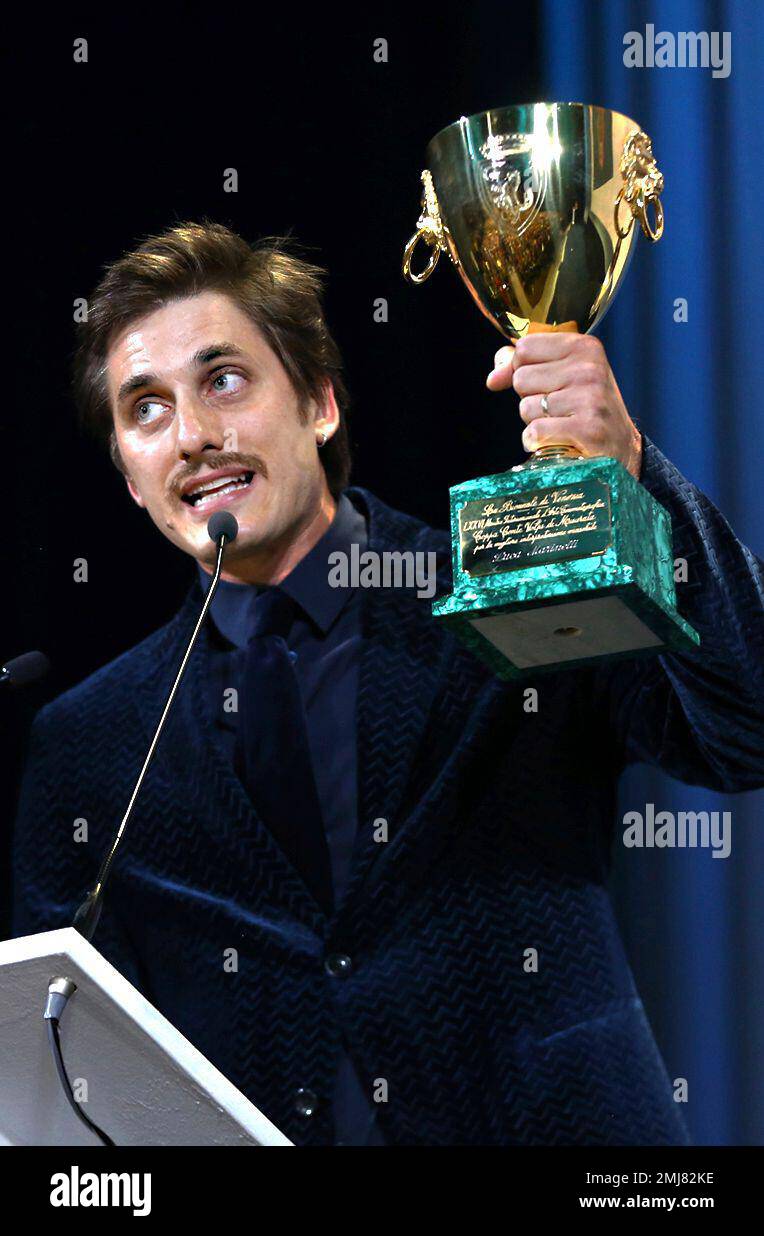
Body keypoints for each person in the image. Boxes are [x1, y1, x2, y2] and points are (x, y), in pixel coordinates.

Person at [12, 221, 764, 1146]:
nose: (196, 437)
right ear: (131, 477)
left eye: (225, 381)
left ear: (321, 403)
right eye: (147, 410)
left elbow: (747, 729)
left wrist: (637, 478)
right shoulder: (92, 743)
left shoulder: (509, 584)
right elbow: (66, 1073)